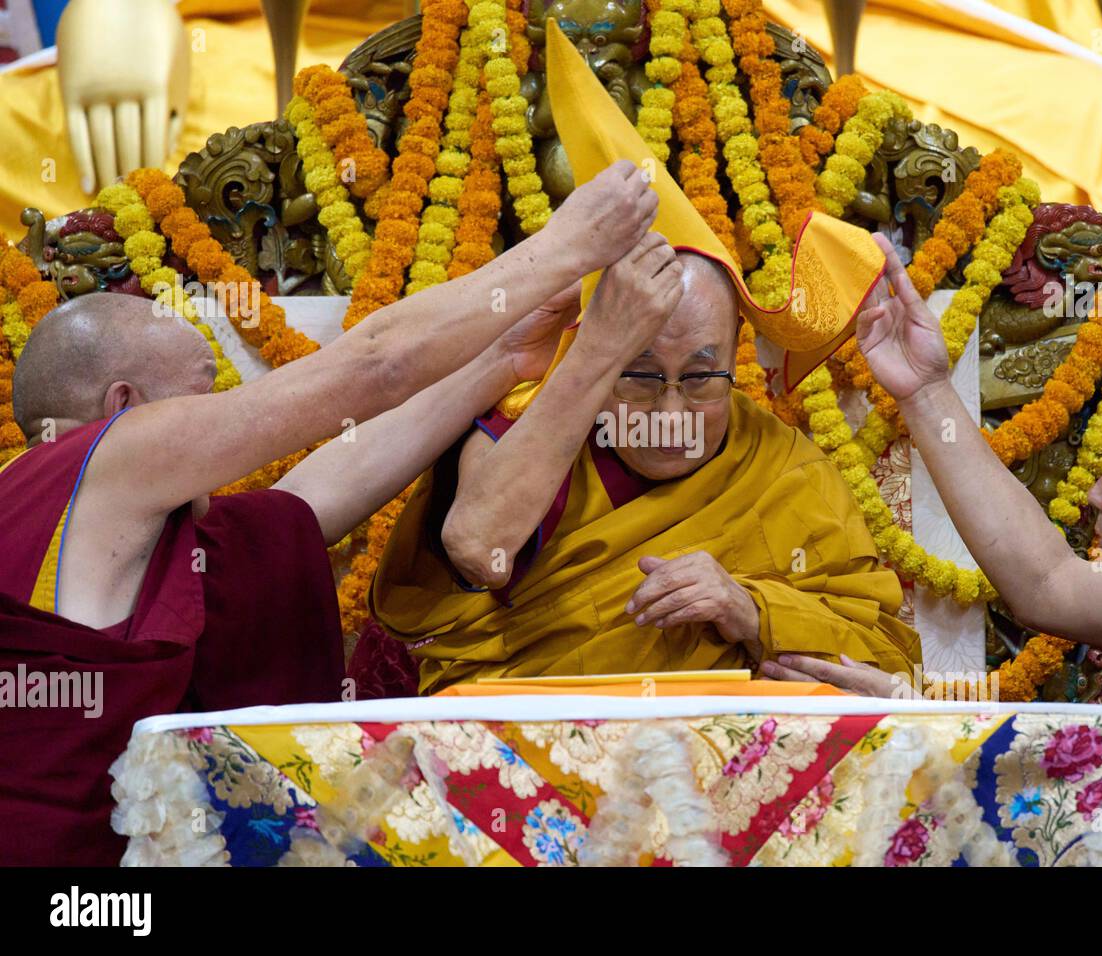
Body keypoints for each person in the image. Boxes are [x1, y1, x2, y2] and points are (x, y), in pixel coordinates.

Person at [0, 161, 658, 865]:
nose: (218, 425)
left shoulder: (114, 526)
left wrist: (500, 359)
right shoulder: (102, 460)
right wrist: (565, 248)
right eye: (202, 399)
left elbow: (318, 498)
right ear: (123, 407)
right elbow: (373, 365)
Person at [763, 234, 1102, 866]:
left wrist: (903, 718)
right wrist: (925, 391)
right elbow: (1048, 583)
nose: (1096, 495)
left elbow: (1070, 802)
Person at [368, 242, 920, 693]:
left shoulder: (784, 468)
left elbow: (881, 667)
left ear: (735, 360)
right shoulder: (534, 425)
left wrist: (751, 611)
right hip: (525, 755)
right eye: (641, 376)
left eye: (702, 378)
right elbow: (475, 547)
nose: (672, 413)